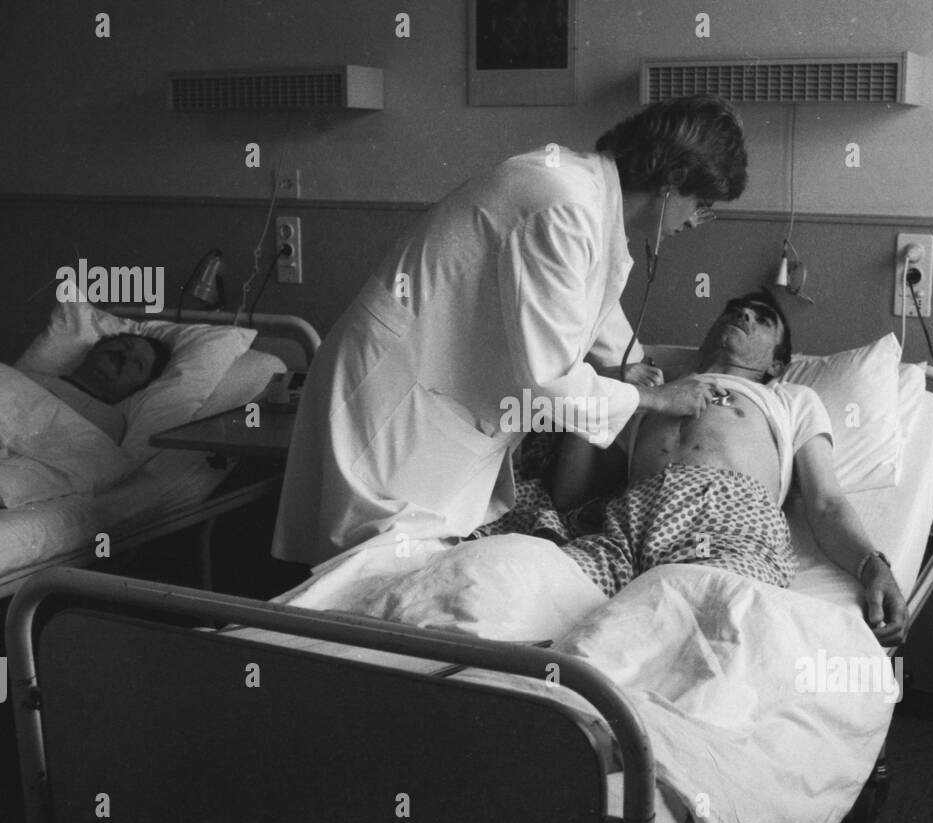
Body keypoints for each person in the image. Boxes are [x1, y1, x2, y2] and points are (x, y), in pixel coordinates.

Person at [273, 95, 748, 565]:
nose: (696, 222)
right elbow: (549, 384)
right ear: (673, 180)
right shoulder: (564, 206)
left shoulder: (585, 197)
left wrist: (636, 362)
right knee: (365, 577)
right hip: (391, 404)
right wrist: (657, 399)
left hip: (431, 403)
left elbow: (585, 304)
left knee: (386, 580)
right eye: (702, 204)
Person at [546, 289, 909, 645]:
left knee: (706, 628)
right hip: (628, 525)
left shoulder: (789, 400)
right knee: (550, 604)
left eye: (762, 320)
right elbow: (569, 495)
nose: (743, 316)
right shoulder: (650, 395)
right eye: (734, 310)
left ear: (777, 365)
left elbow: (826, 502)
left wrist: (874, 567)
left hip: (725, 523)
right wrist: (600, 397)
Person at [0, 333, 170, 522]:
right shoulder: (22, 375)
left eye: (137, 364)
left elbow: (68, 462)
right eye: (126, 344)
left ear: (137, 387)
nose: (125, 356)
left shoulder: (110, 419)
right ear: (96, 347)